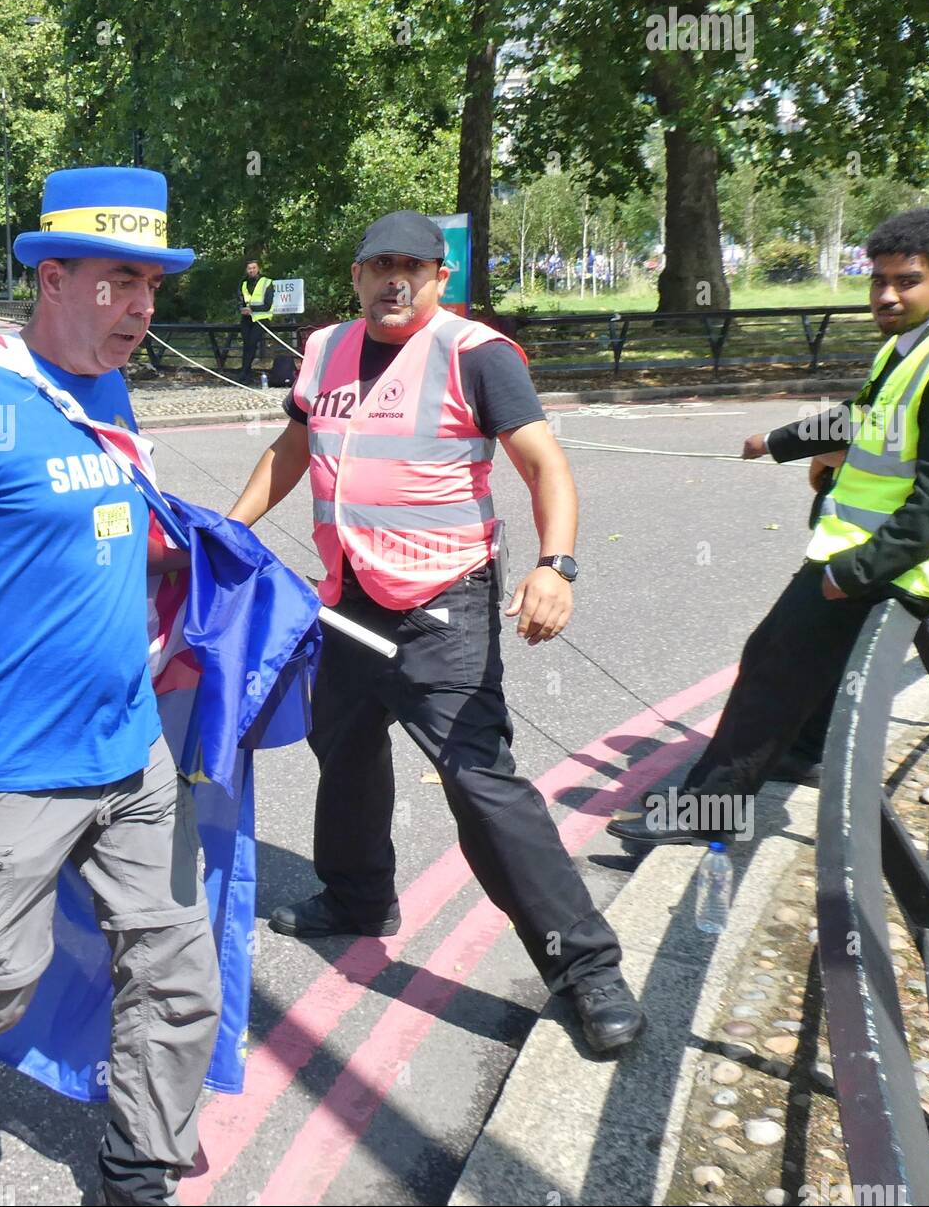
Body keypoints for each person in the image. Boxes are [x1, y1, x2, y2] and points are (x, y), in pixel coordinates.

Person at [0, 165, 221, 1206]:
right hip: (6, 766)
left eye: (154, 286)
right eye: (122, 282)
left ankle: (136, 1164)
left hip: (135, 749)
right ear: (53, 276)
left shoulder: (110, 386)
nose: (144, 308)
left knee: (178, 966)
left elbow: (96, 536)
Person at [228, 210, 645, 1053]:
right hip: (346, 596)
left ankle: (585, 968)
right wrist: (228, 534)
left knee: (478, 783)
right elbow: (291, 447)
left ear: (438, 276)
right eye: (378, 264)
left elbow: (543, 464)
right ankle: (355, 896)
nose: (394, 280)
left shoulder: (475, 354)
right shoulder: (323, 350)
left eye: (411, 267)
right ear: (355, 275)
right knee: (341, 747)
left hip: (442, 603)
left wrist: (554, 566)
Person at [610, 207, 929, 848]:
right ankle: (803, 752)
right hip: (866, 554)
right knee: (779, 660)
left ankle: (705, 817)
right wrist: (776, 441)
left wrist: (851, 576)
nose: (886, 294)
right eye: (878, 279)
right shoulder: (915, 344)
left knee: (770, 673)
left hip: (886, 567)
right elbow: (862, 419)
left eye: (907, 281)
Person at [238, 259, 274, 381]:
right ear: (246, 270)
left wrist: (252, 308)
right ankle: (246, 373)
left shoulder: (267, 282)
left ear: (258, 269)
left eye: (254, 268)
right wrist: (242, 309)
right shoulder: (243, 284)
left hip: (261, 319)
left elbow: (267, 305)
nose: (251, 270)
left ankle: (244, 373)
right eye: (249, 268)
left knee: (252, 344)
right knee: (247, 345)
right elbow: (241, 301)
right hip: (247, 318)